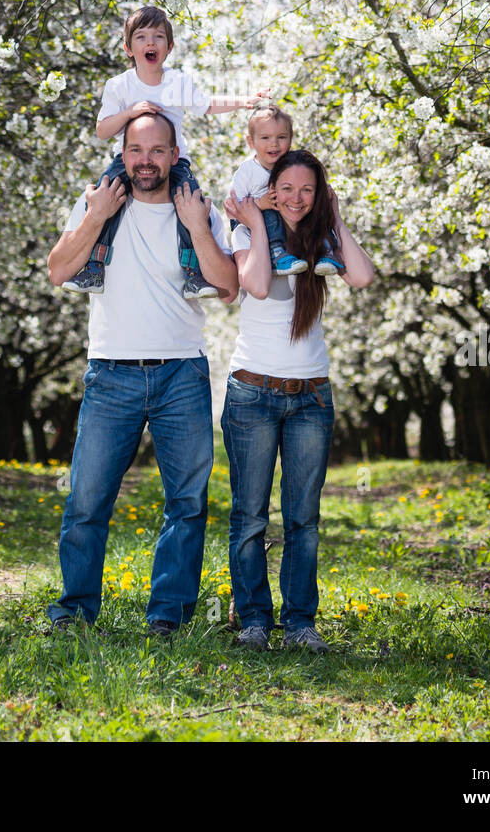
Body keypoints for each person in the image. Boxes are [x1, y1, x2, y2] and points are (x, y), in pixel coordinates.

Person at [46, 110, 238, 637]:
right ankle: (73, 612)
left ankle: (168, 619)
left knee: (187, 503)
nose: (146, 161)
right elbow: (59, 270)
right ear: (123, 153)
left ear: (174, 155)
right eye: (136, 150)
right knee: (87, 500)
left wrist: (199, 228)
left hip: (182, 373)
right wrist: (94, 214)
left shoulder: (195, 208)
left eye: (157, 151)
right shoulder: (97, 204)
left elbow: (228, 285)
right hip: (111, 374)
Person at [222, 150, 374, 653]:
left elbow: (363, 276)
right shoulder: (246, 234)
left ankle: (300, 622)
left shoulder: (321, 244)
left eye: (307, 190)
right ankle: (254, 621)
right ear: (272, 189)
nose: (295, 198)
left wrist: (336, 214)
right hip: (252, 393)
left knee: (303, 518)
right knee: (250, 515)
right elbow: (259, 286)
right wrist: (259, 222)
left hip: (311, 395)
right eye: (286, 188)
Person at [64, 4, 266, 299]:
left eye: (158, 37)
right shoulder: (120, 85)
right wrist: (130, 112)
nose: (150, 43)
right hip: (129, 161)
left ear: (169, 47)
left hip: (175, 162)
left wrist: (243, 101)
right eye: (142, 37)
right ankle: (94, 267)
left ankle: (194, 273)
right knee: (105, 201)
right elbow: (102, 130)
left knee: (191, 208)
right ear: (128, 48)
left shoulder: (177, 82)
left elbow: (206, 105)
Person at [227, 102, 345, 277]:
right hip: (259, 219)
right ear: (251, 142)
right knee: (271, 211)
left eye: (281, 137)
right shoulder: (247, 171)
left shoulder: (294, 164)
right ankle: (277, 253)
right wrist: (260, 204)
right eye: (265, 138)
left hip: (290, 216)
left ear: (291, 138)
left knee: (315, 205)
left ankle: (326, 249)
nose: (274, 144)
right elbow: (232, 208)